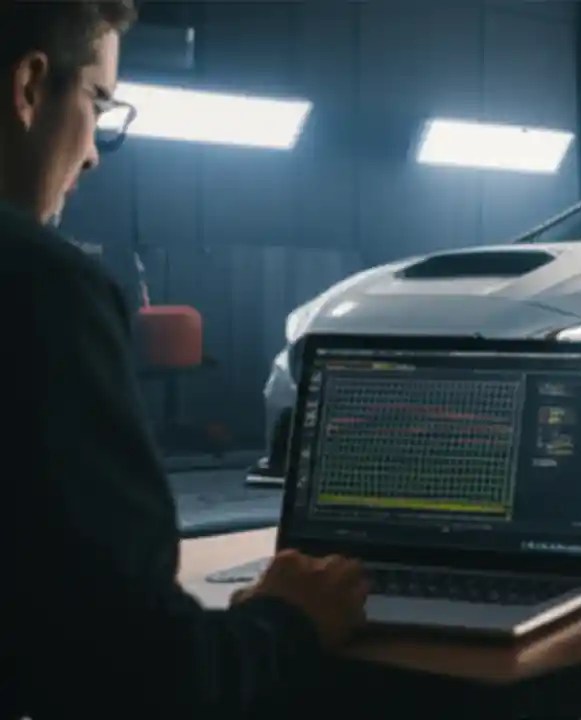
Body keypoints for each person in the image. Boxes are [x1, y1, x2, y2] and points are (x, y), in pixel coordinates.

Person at [0, 2, 369, 717]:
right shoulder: (40, 287)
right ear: (29, 87)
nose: (93, 153)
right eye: (98, 104)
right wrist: (287, 620)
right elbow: (143, 673)